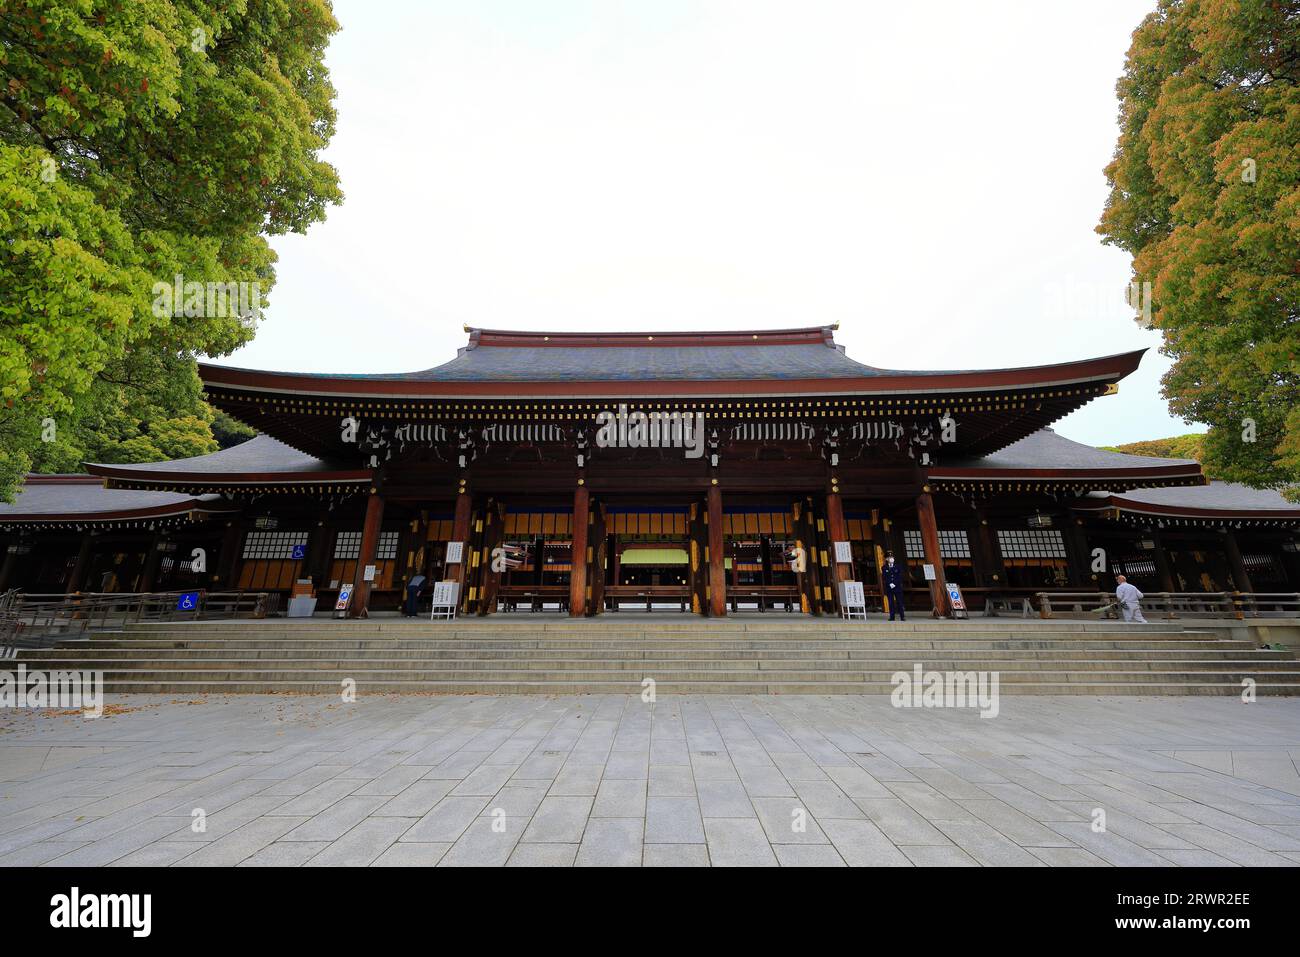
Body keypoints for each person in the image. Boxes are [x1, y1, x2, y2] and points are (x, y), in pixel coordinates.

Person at [881, 552, 906, 621]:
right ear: (886, 559)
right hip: (889, 588)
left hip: (897, 587)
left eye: (892, 557)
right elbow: (884, 577)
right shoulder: (884, 567)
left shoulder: (898, 566)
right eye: (889, 557)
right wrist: (889, 583)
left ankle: (902, 616)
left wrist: (894, 583)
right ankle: (892, 617)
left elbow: (900, 576)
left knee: (900, 602)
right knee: (891, 603)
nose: (891, 559)